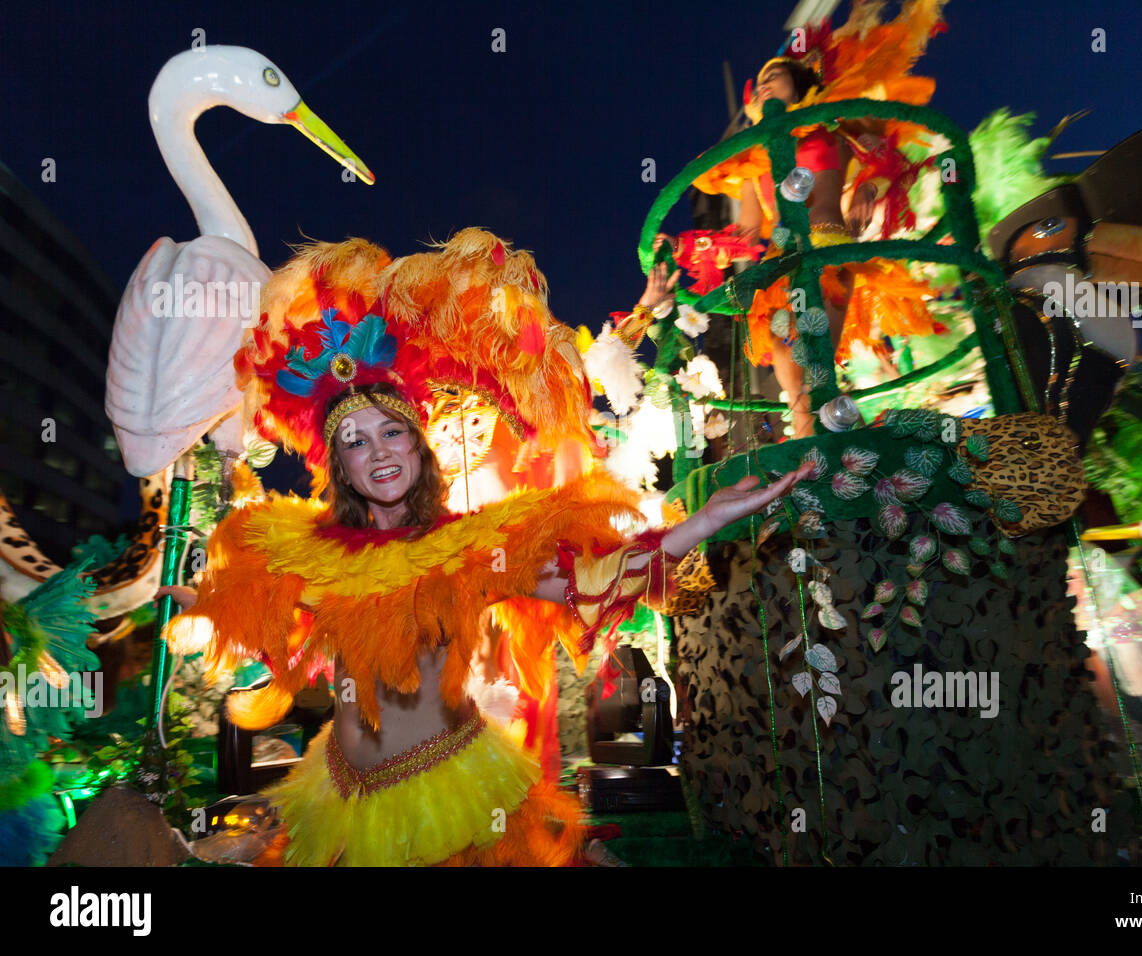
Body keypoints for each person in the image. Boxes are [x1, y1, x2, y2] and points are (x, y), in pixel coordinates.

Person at [159, 230, 813, 866]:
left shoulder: (467, 549)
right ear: (340, 465)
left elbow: (591, 582)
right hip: (338, 795)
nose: (378, 452)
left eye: (391, 432)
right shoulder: (308, 554)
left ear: (417, 444)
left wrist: (698, 524)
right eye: (355, 442)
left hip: (451, 799)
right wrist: (216, 605)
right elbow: (284, 626)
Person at [690, 0, 951, 438]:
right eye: (762, 83)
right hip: (779, 258)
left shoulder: (835, 124)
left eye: (776, 77)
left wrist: (869, 188)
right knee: (782, 354)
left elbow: (885, 161)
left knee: (813, 354)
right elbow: (746, 231)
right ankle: (821, 448)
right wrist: (694, 251)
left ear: (799, 84)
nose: (766, 87)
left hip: (828, 243)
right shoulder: (754, 156)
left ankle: (834, 455)